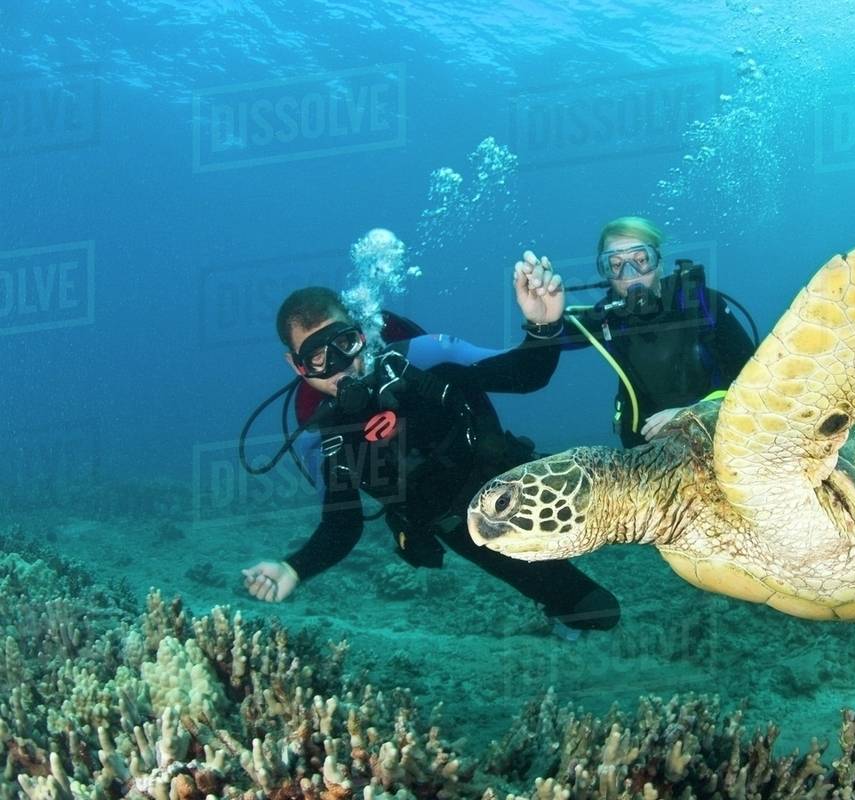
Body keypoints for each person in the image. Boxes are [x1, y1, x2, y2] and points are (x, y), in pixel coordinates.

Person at [240, 261, 619, 635]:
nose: (341, 367)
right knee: (598, 611)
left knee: (633, 514)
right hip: (463, 527)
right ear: (296, 365)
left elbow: (524, 375)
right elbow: (342, 523)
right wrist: (293, 568)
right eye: (317, 358)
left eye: (344, 344)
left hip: (513, 476)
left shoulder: (421, 356)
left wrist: (544, 326)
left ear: (361, 332)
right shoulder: (320, 434)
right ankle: (560, 616)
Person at [554, 216, 756, 448]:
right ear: (606, 272)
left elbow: (753, 383)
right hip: (646, 449)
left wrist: (693, 415)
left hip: (723, 435)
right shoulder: (607, 317)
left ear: (659, 261)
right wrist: (542, 321)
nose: (629, 273)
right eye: (616, 265)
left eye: (641, 259)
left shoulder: (701, 303)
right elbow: (536, 365)